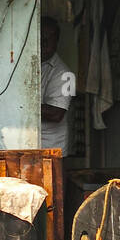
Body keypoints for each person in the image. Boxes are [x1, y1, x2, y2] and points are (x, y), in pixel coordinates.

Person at [39, 16, 74, 156]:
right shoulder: (31, 64)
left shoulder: (66, 74)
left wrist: (22, 105)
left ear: (57, 41)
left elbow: (56, 113)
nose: (44, 43)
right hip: (31, 143)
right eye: (41, 38)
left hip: (52, 147)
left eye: (49, 39)